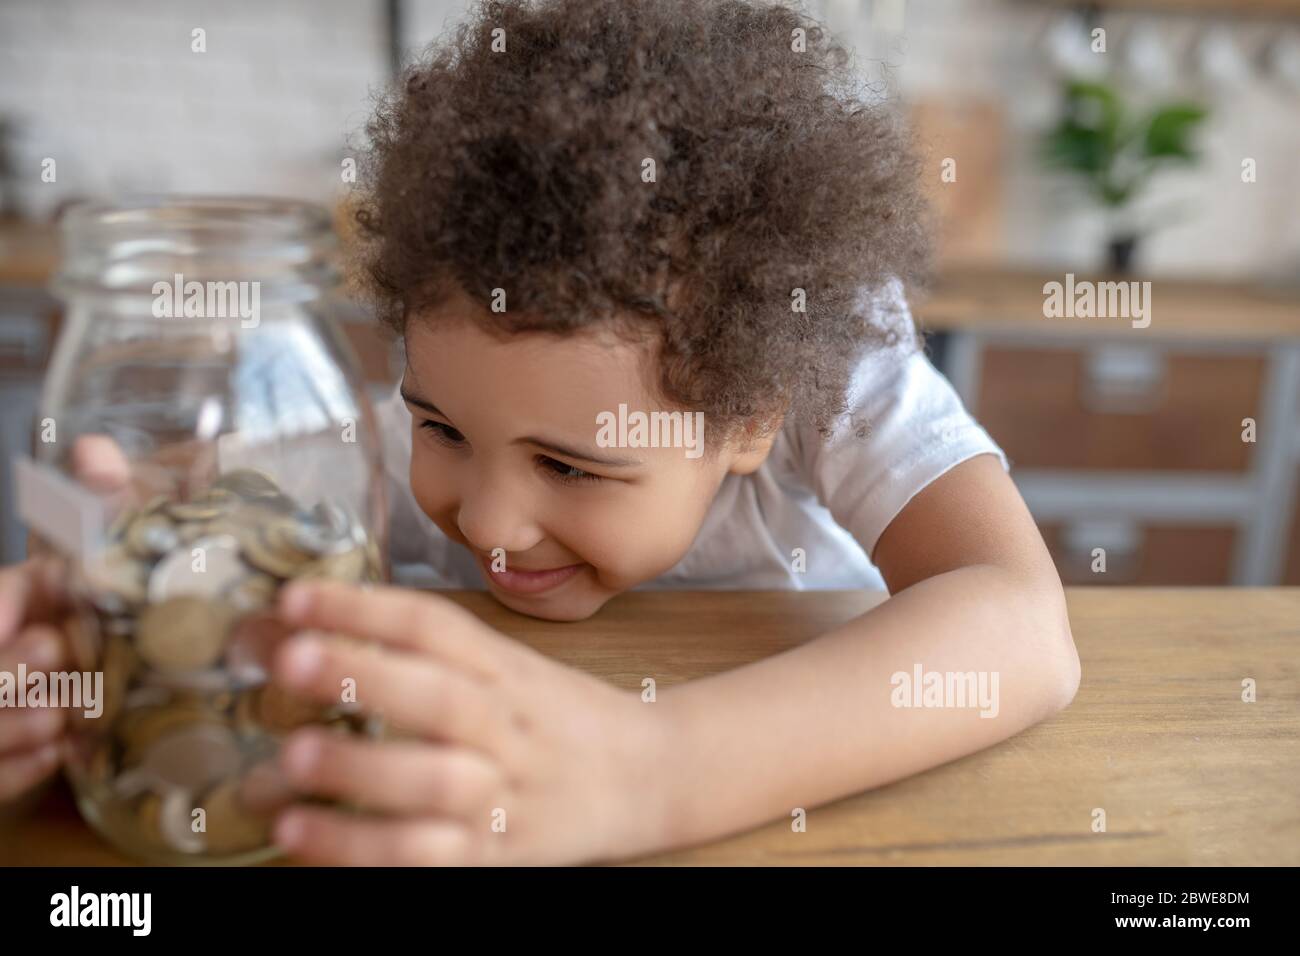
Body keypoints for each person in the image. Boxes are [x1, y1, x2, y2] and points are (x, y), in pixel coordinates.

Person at [0, 0, 1079, 864]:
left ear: (749, 417)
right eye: (438, 425)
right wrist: (64, 621)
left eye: (570, 462)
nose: (487, 516)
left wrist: (648, 768)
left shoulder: (831, 360)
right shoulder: (389, 449)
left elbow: (1021, 631)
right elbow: (157, 491)